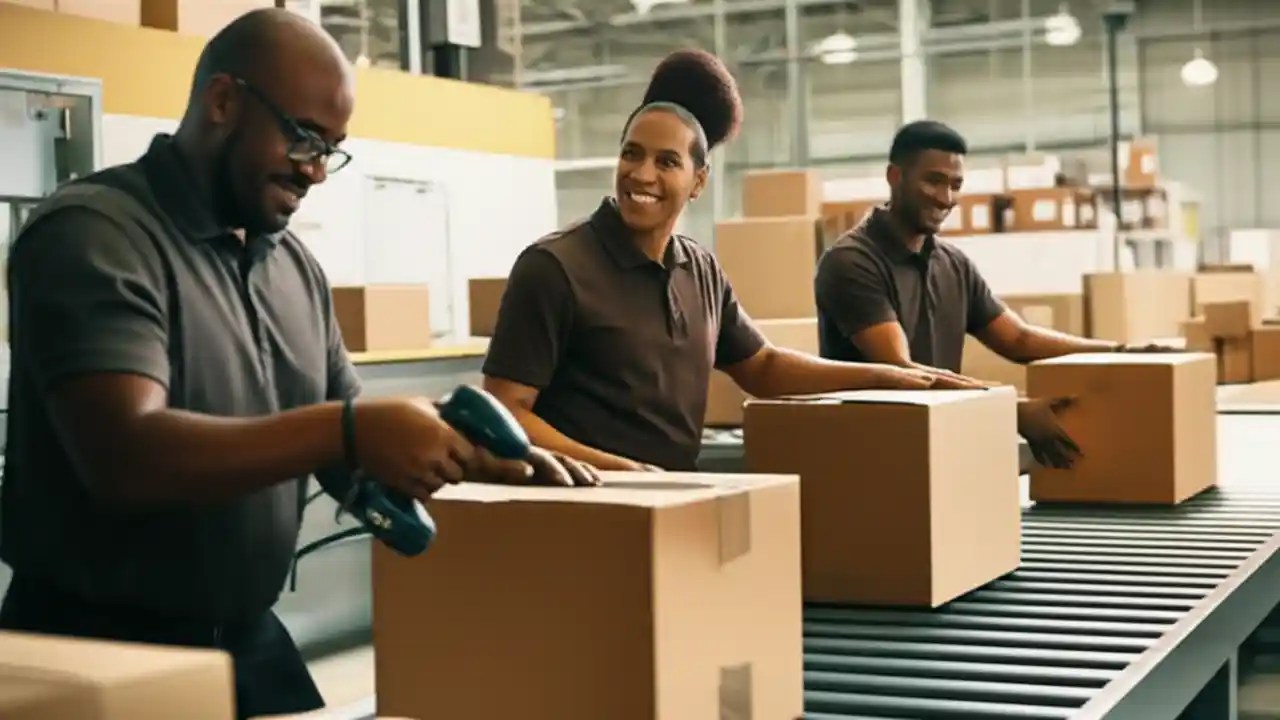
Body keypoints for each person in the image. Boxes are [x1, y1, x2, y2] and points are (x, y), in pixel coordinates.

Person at [0, 9, 591, 719]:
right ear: (224, 101)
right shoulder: (96, 236)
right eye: (304, 138)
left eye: (331, 150)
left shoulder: (293, 268)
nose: (315, 170)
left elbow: (350, 448)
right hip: (96, 648)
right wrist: (350, 430)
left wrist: (467, 458)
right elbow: (126, 456)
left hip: (246, 641)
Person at [481, 49, 947, 474]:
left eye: (666, 162)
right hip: (588, 508)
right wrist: (621, 472)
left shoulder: (699, 270)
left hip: (673, 505)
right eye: (631, 154)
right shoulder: (554, 267)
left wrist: (887, 377)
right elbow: (506, 409)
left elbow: (762, 367)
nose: (641, 174)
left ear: (698, 181)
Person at [814, 119, 1175, 470]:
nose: (946, 198)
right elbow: (900, 371)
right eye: (933, 181)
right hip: (871, 459)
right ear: (895, 177)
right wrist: (1011, 409)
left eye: (956, 185)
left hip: (939, 445)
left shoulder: (952, 264)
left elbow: (1017, 339)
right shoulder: (852, 262)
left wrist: (1119, 352)